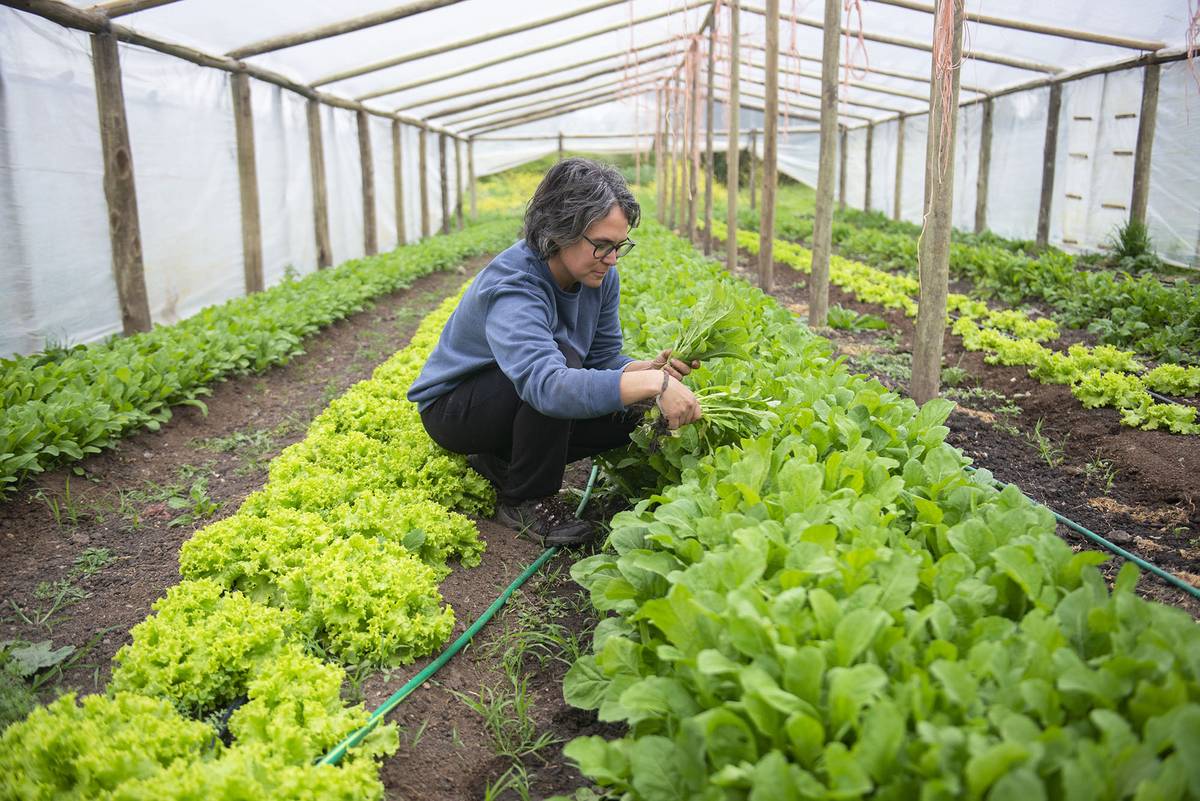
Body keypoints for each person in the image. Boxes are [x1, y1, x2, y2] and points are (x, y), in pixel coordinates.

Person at [408, 157, 701, 545]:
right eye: (602, 246)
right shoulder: (515, 284)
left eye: (619, 246)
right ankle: (526, 499)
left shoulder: (600, 277)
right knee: (564, 366)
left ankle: (501, 461)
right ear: (561, 230)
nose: (612, 259)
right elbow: (545, 384)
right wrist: (652, 383)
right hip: (458, 410)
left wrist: (646, 372)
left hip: (520, 394)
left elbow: (603, 359)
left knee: (632, 410)